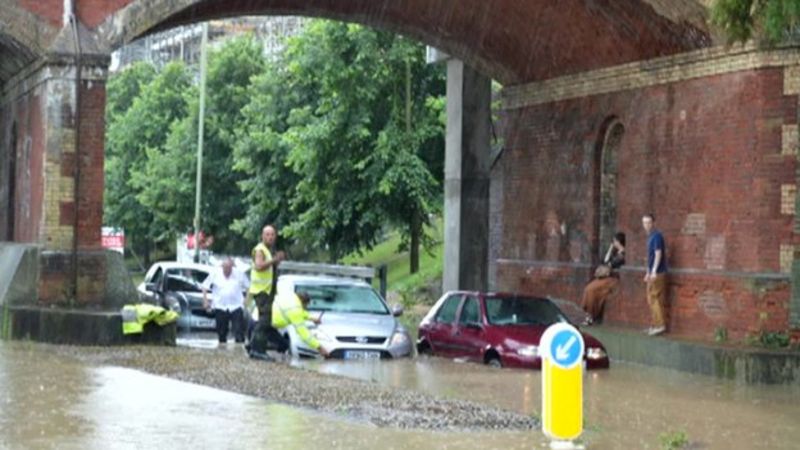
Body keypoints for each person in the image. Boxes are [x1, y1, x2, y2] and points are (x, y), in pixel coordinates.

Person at [246, 225, 286, 359]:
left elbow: (269, 268)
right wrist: (275, 260)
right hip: (262, 291)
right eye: (267, 234)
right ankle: (257, 350)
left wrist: (276, 261)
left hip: (268, 291)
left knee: (265, 321)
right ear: (262, 236)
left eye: (272, 234)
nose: (270, 237)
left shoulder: (269, 250)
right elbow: (259, 266)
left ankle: (253, 346)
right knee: (264, 321)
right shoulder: (260, 250)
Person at [580, 232, 626, 325]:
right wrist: (610, 248)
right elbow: (605, 260)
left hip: (612, 279)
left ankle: (591, 316)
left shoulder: (622, 254)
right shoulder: (616, 252)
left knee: (592, 290)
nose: (613, 243)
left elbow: (609, 264)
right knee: (589, 289)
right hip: (606, 277)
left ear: (618, 241)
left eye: (614, 241)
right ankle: (589, 314)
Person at [201, 258, 249, 344]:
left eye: (229, 268)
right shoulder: (215, 273)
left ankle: (240, 349)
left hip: (236, 306)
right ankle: (222, 350)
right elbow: (204, 286)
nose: (227, 271)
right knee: (221, 333)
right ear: (222, 267)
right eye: (225, 268)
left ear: (232, 267)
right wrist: (205, 301)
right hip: (220, 306)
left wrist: (246, 299)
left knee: (239, 332)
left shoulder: (239, 273)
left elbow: (249, 286)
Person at [272, 291, 329, 358]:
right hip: (265, 323)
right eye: (306, 305)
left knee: (282, 344)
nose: (305, 308)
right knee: (284, 344)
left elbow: (296, 311)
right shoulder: (296, 309)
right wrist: (319, 347)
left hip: (262, 318)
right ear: (303, 302)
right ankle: (279, 361)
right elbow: (304, 333)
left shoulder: (292, 298)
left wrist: (312, 318)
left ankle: (279, 359)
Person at [642, 213, 668, 336]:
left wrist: (653, 271)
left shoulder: (657, 236)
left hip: (658, 273)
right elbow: (650, 257)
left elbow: (658, 254)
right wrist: (648, 272)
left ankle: (660, 325)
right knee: (651, 299)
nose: (646, 225)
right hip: (653, 272)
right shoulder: (650, 237)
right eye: (644, 223)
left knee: (654, 298)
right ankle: (655, 324)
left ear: (653, 223)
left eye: (648, 223)